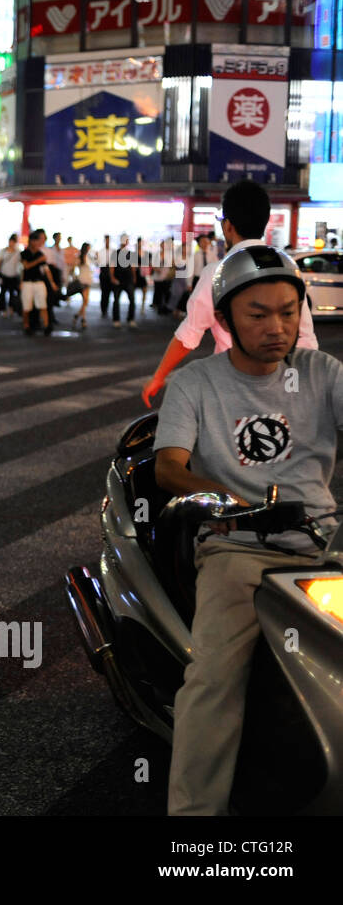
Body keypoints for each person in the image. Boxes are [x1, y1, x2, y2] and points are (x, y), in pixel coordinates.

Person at [154, 247, 341, 815]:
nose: (277, 327)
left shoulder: (323, 372)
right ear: (227, 318)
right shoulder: (196, 383)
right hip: (237, 545)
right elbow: (168, 465)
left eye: (288, 312)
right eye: (258, 314)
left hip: (323, 541)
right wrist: (221, 498)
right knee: (212, 676)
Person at [143, 181, 318, 407]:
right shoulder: (289, 268)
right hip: (285, 388)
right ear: (264, 223)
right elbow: (305, 337)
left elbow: (189, 335)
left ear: (227, 226)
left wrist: (158, 376)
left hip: (233, 389)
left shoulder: (217, 273)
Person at [20, 229, 55, 336]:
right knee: (27, 306)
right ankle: (26, 326)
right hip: (27, 282)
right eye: (35, 240)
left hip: (39, 282)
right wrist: (38, 261)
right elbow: (26, 266)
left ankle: (46, 325)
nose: (37, 243)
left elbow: (46, 269)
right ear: (31, 241)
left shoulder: (41, 253)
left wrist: (52, 282)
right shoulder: (24, 253)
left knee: (42, 304)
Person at [109, 233, 138, 329]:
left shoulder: (131, 253)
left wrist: (134, 277)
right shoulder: (115, 253)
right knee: (116, 300)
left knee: (132, 300)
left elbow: (133, 267)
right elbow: (112, 266)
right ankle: (116, 320)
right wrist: (112, 278)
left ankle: (131, 319)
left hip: (128, 279)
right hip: (118, 280)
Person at [66, 242, 94, 330]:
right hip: (82, 280)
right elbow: (72, 268)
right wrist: (74, 277)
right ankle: (82, 319)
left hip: (87, 279)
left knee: (85, 301)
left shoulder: (88, 257)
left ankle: (80, 317)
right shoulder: (80, 257)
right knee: (85, 300)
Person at [0, 233, 22, 317]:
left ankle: (11, 309)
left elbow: (21, 264)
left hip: (14, 275)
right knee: (2, 293)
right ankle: (2, 309)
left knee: (12, 294)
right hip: (4, 275)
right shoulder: (3, 251)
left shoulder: (18, 252)